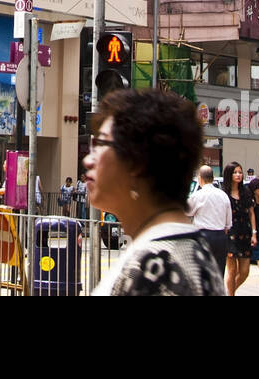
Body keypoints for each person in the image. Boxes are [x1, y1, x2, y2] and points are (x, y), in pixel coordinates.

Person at [86, 88, 226, 296]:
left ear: (136, 161)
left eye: (100, 143)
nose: (88, 159)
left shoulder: (154, 269)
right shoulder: (185, 249)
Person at [187, 165, 232, 268]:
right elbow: (228, 223)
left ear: (200, 178)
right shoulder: (223, 195)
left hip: (204, 235)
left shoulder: (198, 195)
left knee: (202, 271)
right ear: (212, 178)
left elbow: (187, 211)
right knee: (219, 270)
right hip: (220, 236)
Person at [222, 162, 256, 296]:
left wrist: (254, 233)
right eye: (235, 172)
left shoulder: (246, 192)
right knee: (231, 270)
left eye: (240, 172)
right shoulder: (224, 192)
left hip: (245, 232)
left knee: (244, 271)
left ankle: (229, 292)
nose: (238, 175)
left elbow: (251, 213)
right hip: (229, 232)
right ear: (229, 175)